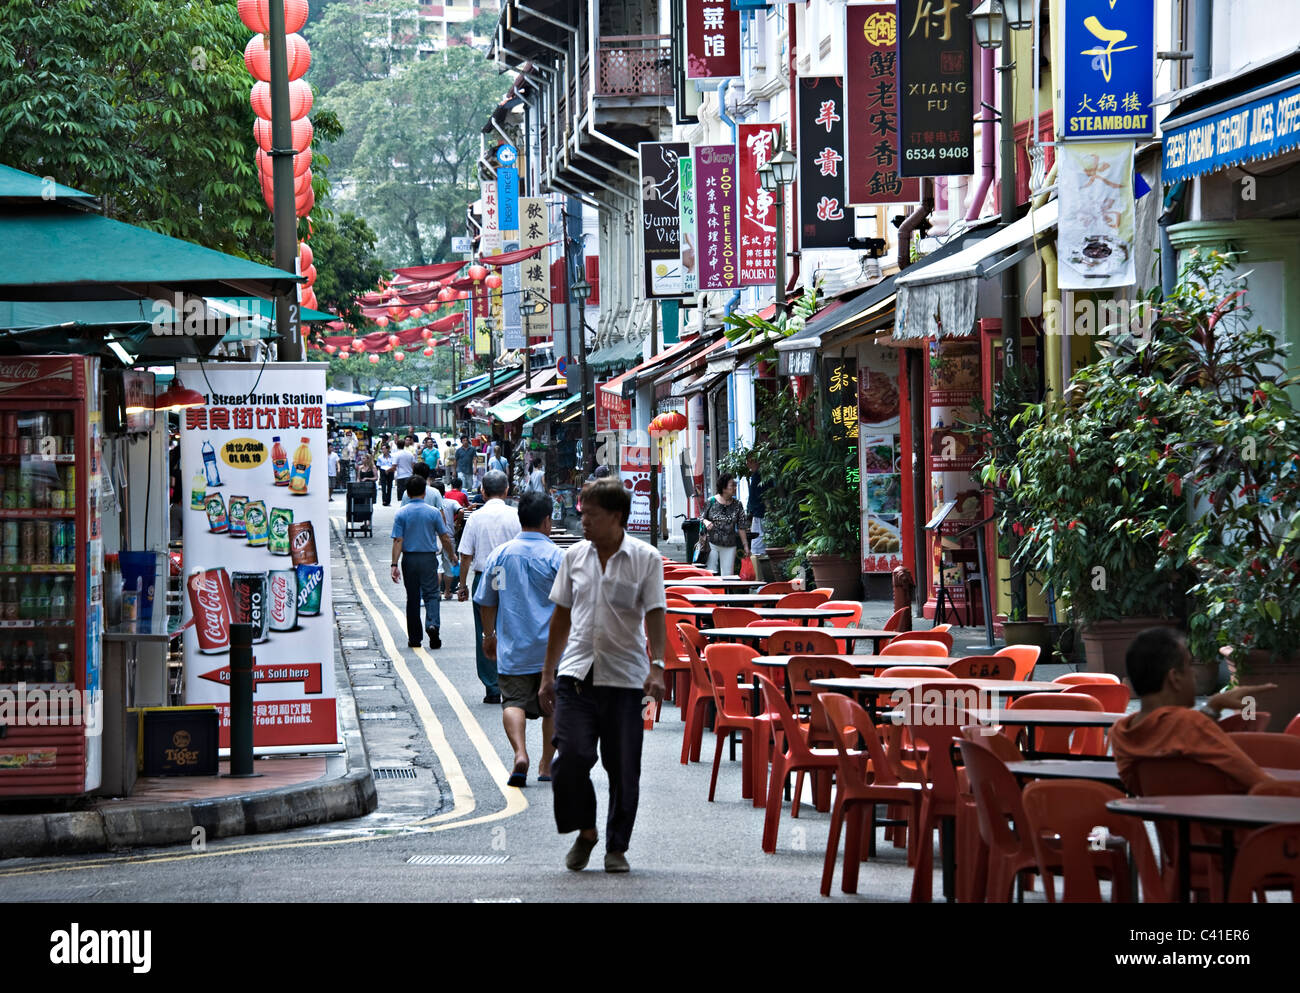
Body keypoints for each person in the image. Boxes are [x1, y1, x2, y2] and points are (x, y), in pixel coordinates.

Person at [539, 477, 666, 873]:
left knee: (624, 768)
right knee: (571, 758)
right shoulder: (574, 556)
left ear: (617, 517)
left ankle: (616, 846)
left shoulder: (647, 559)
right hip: (576, 674)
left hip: (627, 680)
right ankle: (587, 829)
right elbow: (560, 616)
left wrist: (658, 666)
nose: (585, 523)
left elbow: (656, 614)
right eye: (583, 515)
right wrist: (547, 674)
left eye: (592, 515)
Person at [1109, 627, 1278, 794]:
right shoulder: (1190, 724)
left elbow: (1172, 735)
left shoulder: (1120, 734)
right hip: (1225, 818)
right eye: (1189, 666)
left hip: (1169, 819)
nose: (1194, 675)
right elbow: (1258, 781)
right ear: (1175, 678)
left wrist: (1213, 707)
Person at [475, 491, 564, 788]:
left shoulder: (500, 556)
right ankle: (546, 764)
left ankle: (520, 754)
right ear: (548, 521)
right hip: (552, 652)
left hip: (513, 648)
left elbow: (488, 600)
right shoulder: (556, 558)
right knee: (552, 703)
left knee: (512, 702)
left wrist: (489, 636)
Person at [457, 470, 521, 704]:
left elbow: (466, 555)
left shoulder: (475, 517)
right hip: (510, 578)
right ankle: (511, 682)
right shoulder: (515, 516)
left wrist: (462, 585)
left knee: (485, 631)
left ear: (482, 492)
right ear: (506, 490)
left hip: (484, 576)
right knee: (511, 629)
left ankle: (492, 686)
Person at [390, 476, 457, 650]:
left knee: (412, 598)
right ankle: (433, 625)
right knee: (432, 594)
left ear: (408, 493)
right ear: (424, 492)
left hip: (409, 559)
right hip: (428, 558)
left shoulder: (401, 513)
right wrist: (452, 555)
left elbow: (398, 540)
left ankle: (414, 638)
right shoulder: (433, 512)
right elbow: (444, 536)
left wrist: (394, 565)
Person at [701, 473, 750, 575]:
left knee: (728, 576)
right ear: (723, 488)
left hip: (729, 544)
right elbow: (701, 517)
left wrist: (745, 546)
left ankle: (725, 591)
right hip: (711, 544)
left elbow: (741, 527)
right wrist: (706, 521)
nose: (735, 488)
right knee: (710, 573)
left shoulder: (737, 504)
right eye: (732, 485)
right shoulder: (711, 501)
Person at [745, 453, 767, 557]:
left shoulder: (759, 476)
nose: (748, 465)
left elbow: (762, 496)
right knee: (759, 540)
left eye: (750, 462)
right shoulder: (757, 476)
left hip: (760, 513)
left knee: (758, 541)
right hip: (759, 513)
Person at [393, 438, 416, 502]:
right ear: (404, 445)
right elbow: (413, 464)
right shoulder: (410, 454)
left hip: (400, 476)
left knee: (401, 496)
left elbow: (394, 466)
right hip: (409, 475)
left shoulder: (396, 454)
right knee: (409, 494)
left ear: (397, 445)